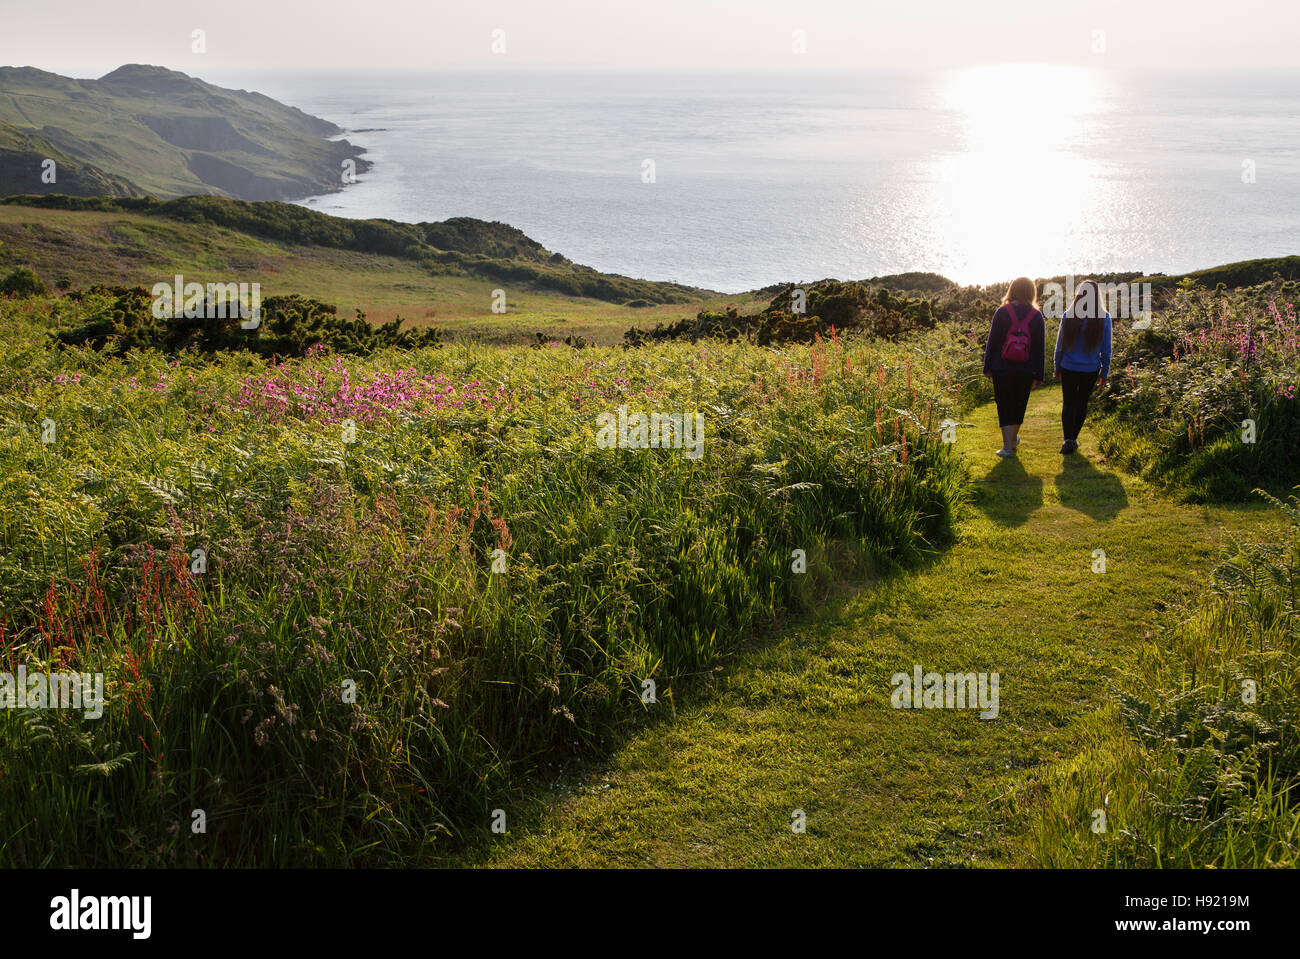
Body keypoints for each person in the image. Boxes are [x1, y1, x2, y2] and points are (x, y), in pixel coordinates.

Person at [983, 276, 1046, 457]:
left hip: (1001, 367)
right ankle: (1012, 440)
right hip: (1026, 369)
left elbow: (992, 342)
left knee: (1004, 405)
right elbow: (1039, 348)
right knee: (1019, 405)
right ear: (1031, 292)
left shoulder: (1002, 312)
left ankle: (1008, 447)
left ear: (1012, 290)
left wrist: (987, 367)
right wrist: (1039, 375)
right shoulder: (1036, 316)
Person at [1053, 279, 1113, 454]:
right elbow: (1106, 349)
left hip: (1069, 366)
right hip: (1091, 369)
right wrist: (1105, 370)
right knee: (1081, 403)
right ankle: (1073, 439)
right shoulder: (1104, 318)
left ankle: (1067, 440)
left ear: (1078, 295)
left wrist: (1057, 366)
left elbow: (1060, 345)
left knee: (1068, 403)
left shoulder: (1068, 315)